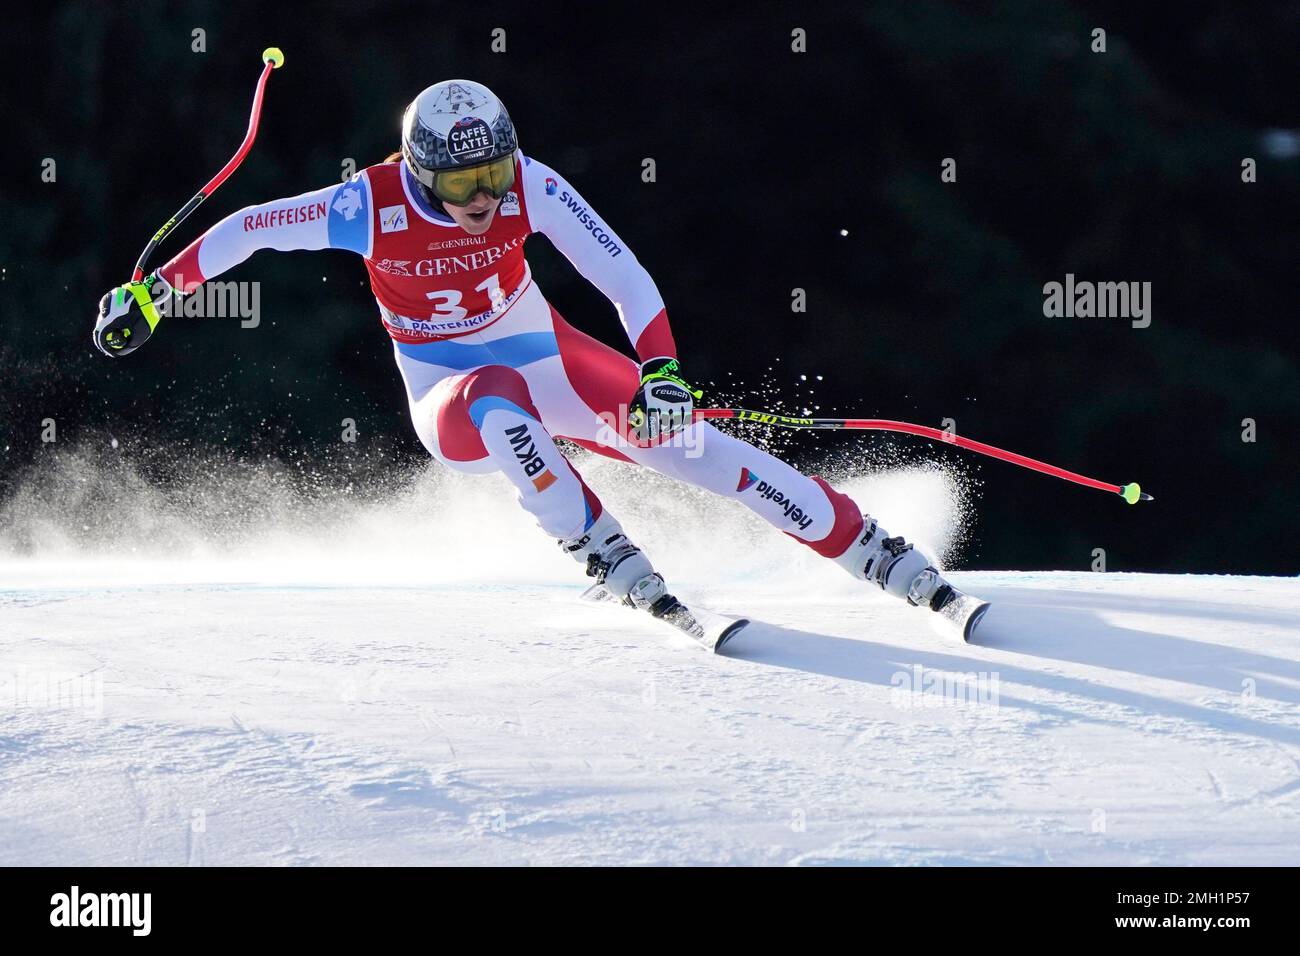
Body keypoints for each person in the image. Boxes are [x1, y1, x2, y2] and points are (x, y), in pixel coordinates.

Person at [93, 79, 963, 627]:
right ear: (421, 170)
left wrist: (659, 371)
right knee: (499, 396)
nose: (484, 201)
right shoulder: (370, 204)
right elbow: (249, 229)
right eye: (463, 187)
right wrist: (156, 294)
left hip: (550, 351)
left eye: (494, 179)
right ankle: (602, 550)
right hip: (450, 391)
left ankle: (871, 548)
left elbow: (627, 278)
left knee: (692, 446)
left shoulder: (532, 184)